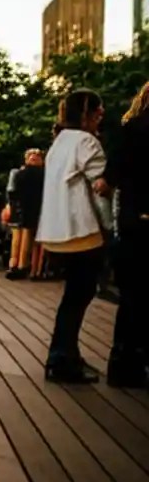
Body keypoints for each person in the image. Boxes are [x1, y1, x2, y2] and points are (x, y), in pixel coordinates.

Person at [36, 89, 111, 384]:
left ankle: (65, 353)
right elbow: (101, 189)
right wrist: (109, 225)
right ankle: (62, 358)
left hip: (57, 229)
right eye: (98, 110)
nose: (101, 115)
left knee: (74, 295)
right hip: (81, 228)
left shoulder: (60, 142)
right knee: (80, 294)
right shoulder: (86, 142)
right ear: (86, 113)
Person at [105, 82, 149, 388]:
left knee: (133, 295)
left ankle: (124, 364)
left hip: (135, 222)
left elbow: (109, 179)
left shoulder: (130, 129)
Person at [5, 149, 46, 280]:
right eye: (31, 156)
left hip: (33, 208)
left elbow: (12, 191)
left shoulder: (23, 173)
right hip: (24, 208)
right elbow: (12, 192)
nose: (34, 158)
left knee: (30, 238)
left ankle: (27, 267)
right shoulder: (21, 173)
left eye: (37, 156)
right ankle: (17, 265)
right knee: (20, 237)